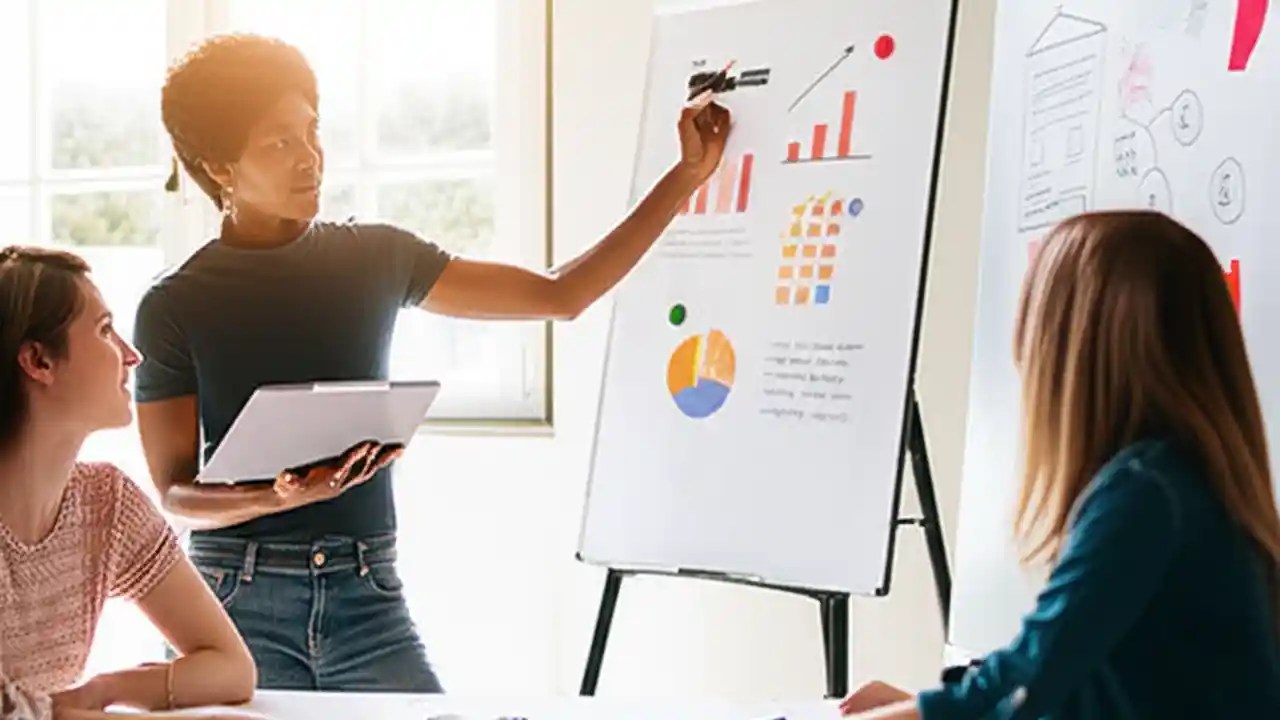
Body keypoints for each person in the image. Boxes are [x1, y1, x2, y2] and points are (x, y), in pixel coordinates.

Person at [134, 33, 730, 692]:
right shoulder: (174, 304)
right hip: (232, 601)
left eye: (312, 132)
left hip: (367, 596)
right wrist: (273, 495)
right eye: (280, 143)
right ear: (220, 166)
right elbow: (175, 495)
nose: (311, 159)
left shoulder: (377, 256)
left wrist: (686, 177)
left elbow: (563, 295)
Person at [841, 211, 1280, 718]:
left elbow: (1036, 674)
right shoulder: (1187, 479)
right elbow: (1081, 683)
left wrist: (921, 713)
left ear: (1074, 348)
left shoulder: (1147, 493)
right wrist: (922, 707)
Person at [0, 246, 257, 719]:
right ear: (39, 361)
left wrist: (106, 689)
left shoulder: (107, 504)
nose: (132, 355)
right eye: (104, 331)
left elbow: (232, 668)